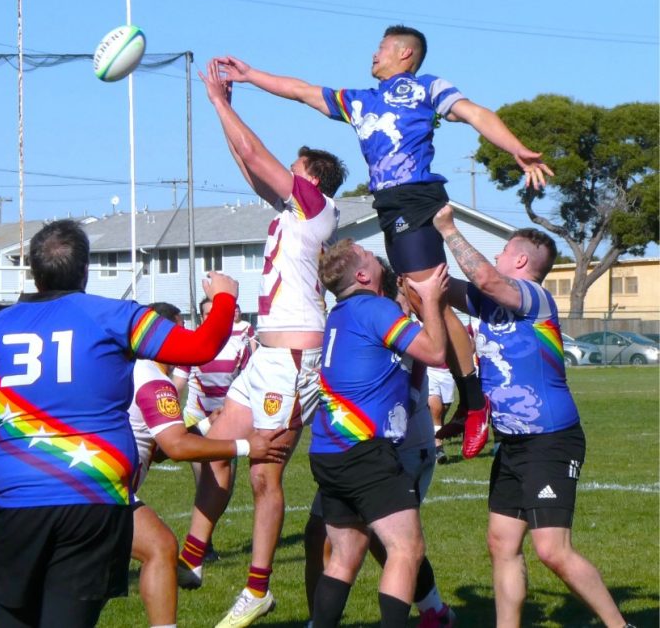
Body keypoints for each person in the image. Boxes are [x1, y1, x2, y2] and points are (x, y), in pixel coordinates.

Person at [213, 26, 554, 459]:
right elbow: (300, 91)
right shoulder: (360, 100)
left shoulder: (427, 88)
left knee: (429, 291)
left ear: (405, 53)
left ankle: (473, 399)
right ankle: (478, 358)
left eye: (380, 48)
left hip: (416, 197)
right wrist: (250, 75)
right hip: (390, 206)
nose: (373, 55)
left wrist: (516, 148)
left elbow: (476, 113)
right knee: (421, 292)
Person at [0, 219, 241, 628]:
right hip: (93, 506)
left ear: (34, 272)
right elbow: (201, 346)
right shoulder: (116, 316)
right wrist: (225, 298)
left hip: (19, 506)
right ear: (85, 271)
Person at [177, 59, 347, 628]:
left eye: (294, 167)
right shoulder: (290, 212)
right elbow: (246, 162)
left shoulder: (318, 208)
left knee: (263, 473)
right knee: (216, 451)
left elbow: (256, 158)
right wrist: (225, 108)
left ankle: (257, 588)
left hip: (295, 359)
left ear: (310, 179)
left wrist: (221, 100)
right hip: (265, 358)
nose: (284, 172)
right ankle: (193, 559)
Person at [431, 204, 634, 628]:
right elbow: (437, 286)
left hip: (552, 439)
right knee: (501, 543)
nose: (498, 258)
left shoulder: (536, 299)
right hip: (514, 443)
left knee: (552, 550)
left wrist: (448, 229)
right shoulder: (486, 304)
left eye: (504, 251)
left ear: (520, 260)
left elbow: (485, 277)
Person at [304, 259, 455, 628]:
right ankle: (428, 615)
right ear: (362, 275)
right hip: (364, 452)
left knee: (346, 553)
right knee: (406, 549)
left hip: (329, 449)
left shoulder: (340, 313)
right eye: (367, 255)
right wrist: (432, 299)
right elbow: (436, 353)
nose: (377, 257)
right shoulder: (374, 307)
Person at [129, 301, 287, 628]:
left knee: (157, 551)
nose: (182, 336)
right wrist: (246, 445)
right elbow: (175, 448)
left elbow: (157, 448)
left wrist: (204, 426)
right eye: (177, 330)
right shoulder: (151, 379)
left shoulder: (136, 370)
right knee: (159, 549)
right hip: (100, 492)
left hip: (97, 488)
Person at [173, 300, 255, 561]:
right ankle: (202, 548)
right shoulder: (195, 343)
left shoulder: (241, 346)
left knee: (225, 489)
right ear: (202, 316)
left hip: (229, 423)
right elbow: (178, 383)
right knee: (207, 484)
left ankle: (203, 542)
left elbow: (249, 382)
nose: (214, 317)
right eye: (208, 313)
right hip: (198, 423)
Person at [427, 364, 456, 464]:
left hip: (449, 371)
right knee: (436, 409)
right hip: (429, 368)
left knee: (443, 409)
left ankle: (434, 436)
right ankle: (438, 449)